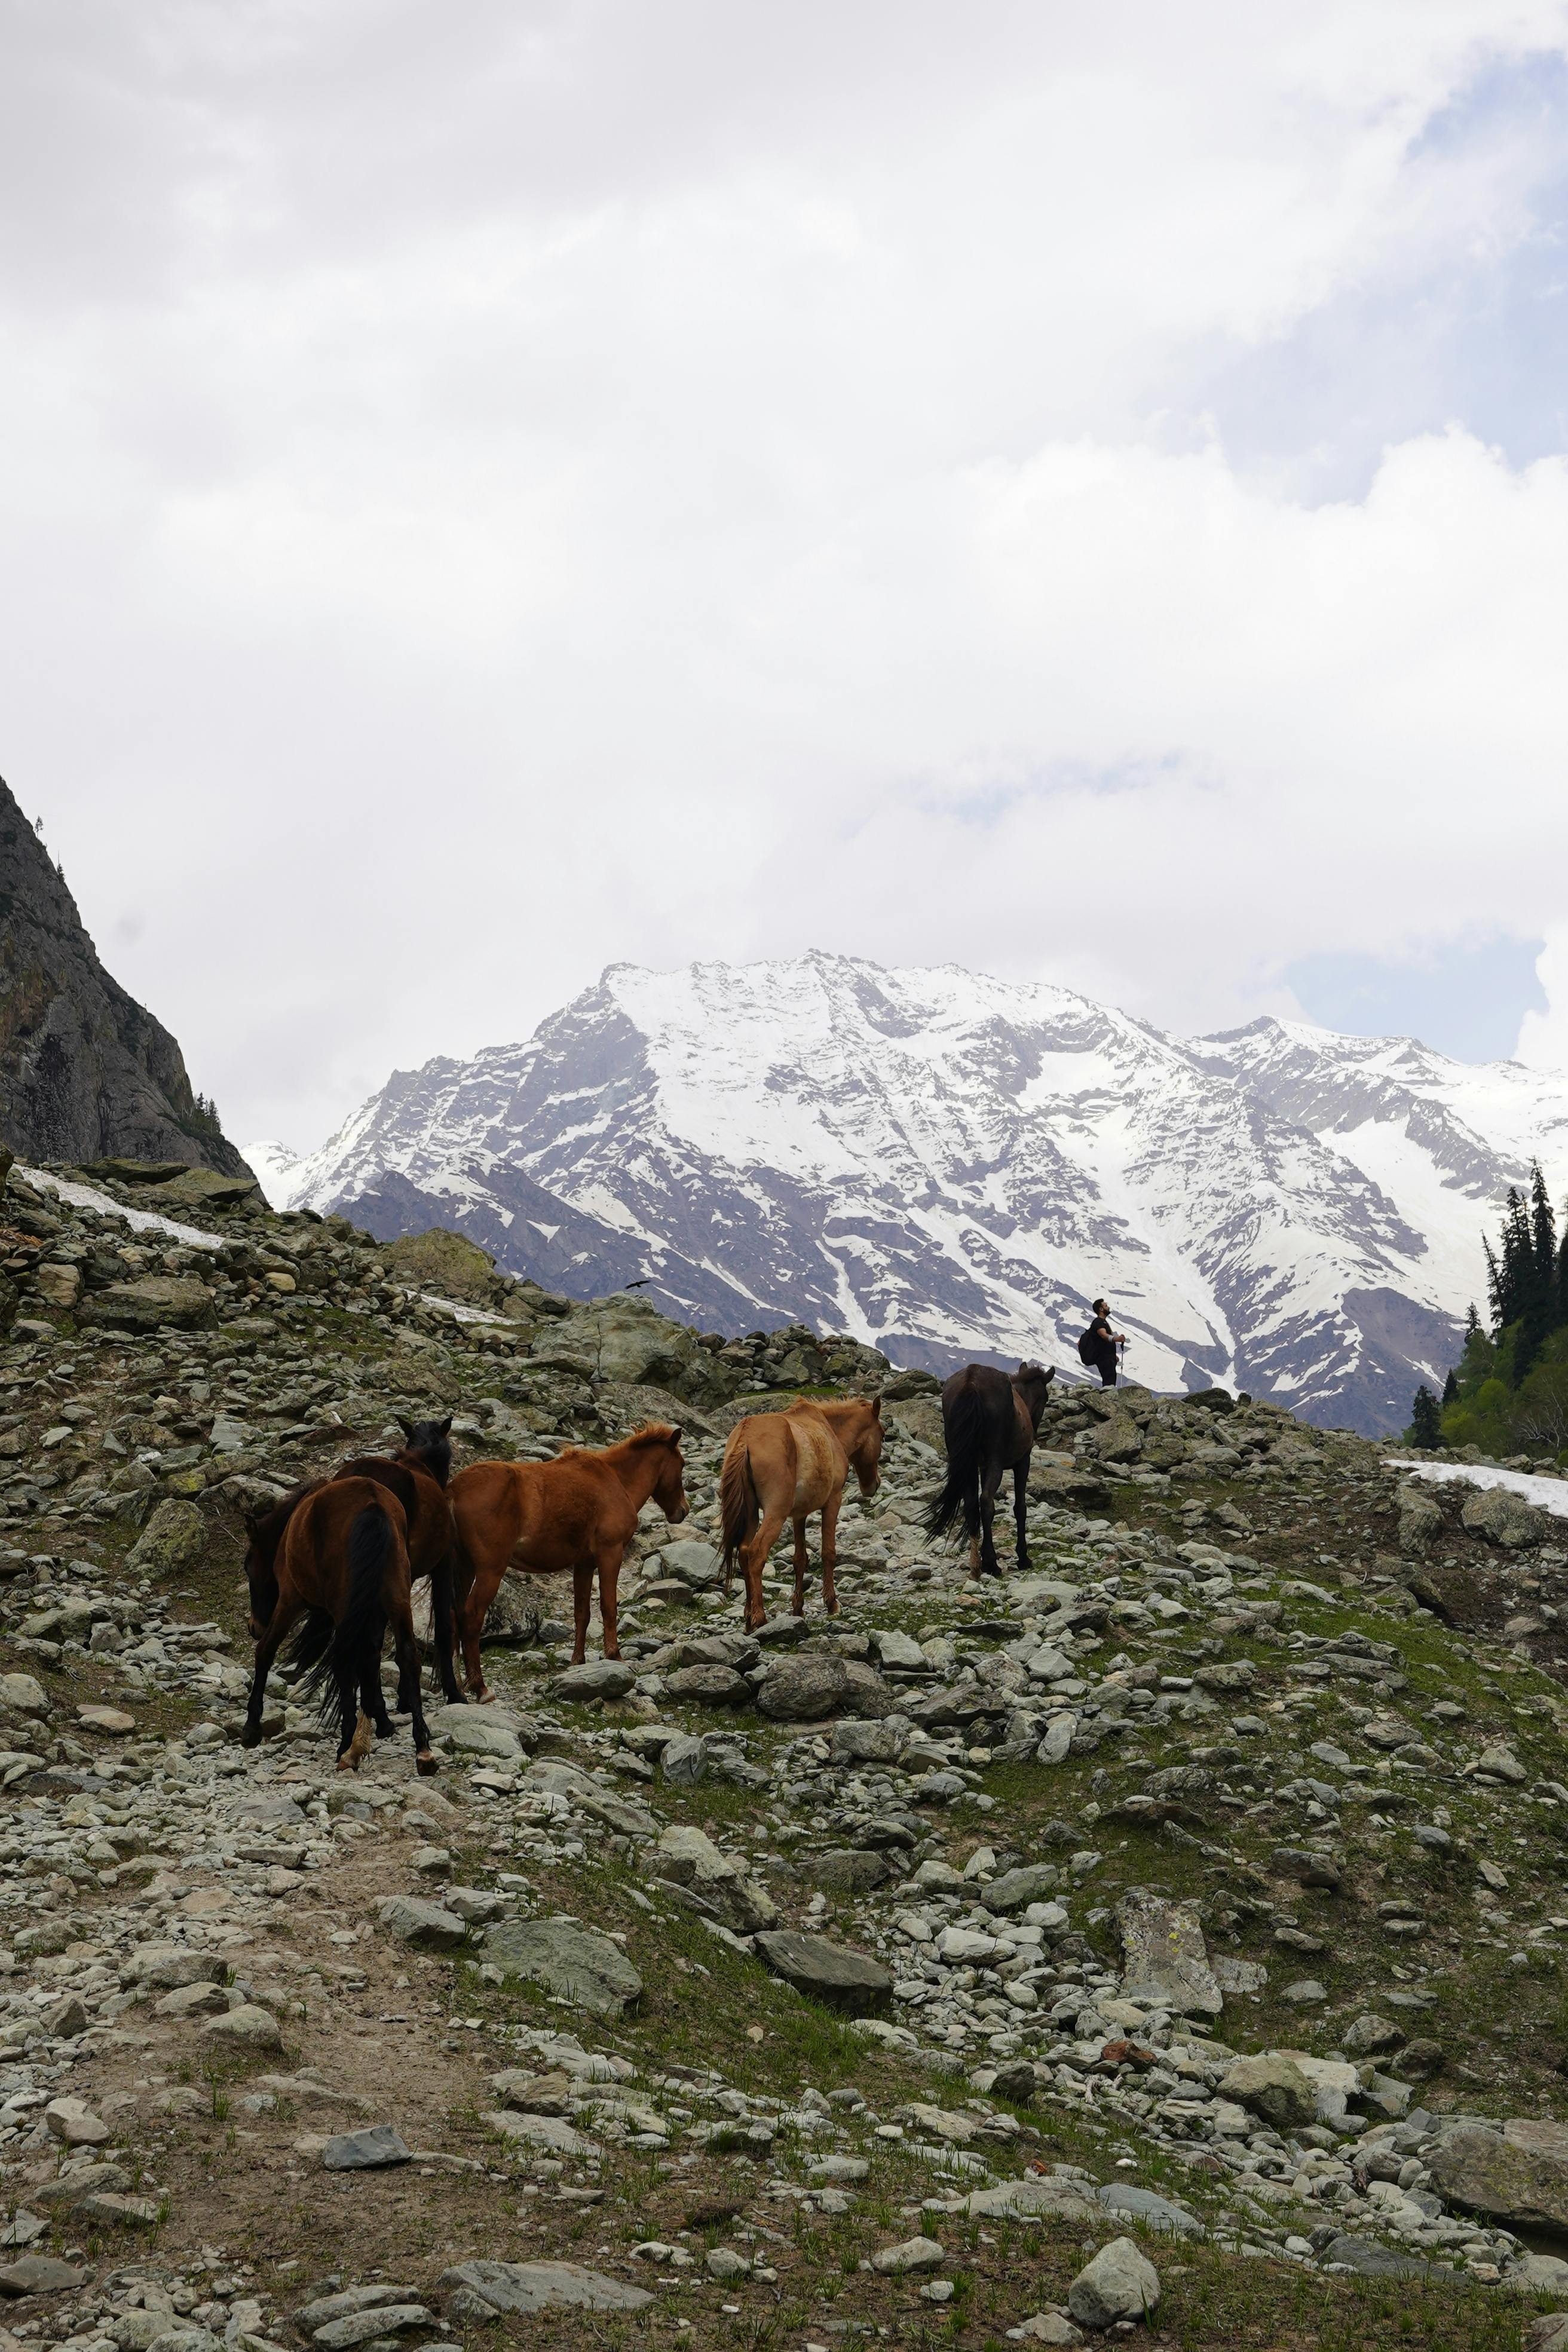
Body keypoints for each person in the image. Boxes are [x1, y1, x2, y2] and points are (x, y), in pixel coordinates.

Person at [1086, 1297, 1125, 1388]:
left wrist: (1113, 1355)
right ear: (1101, 1309)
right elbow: (1104, 1335)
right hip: (1104, 1358)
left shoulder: (1103, 1322)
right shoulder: (1098, 1322)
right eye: (1106, 1306)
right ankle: (1107, 1396)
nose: (1108, 1307)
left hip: (1108, 1357)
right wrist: (1117, 1339)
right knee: (1109, 1381)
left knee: (1111, 1379)